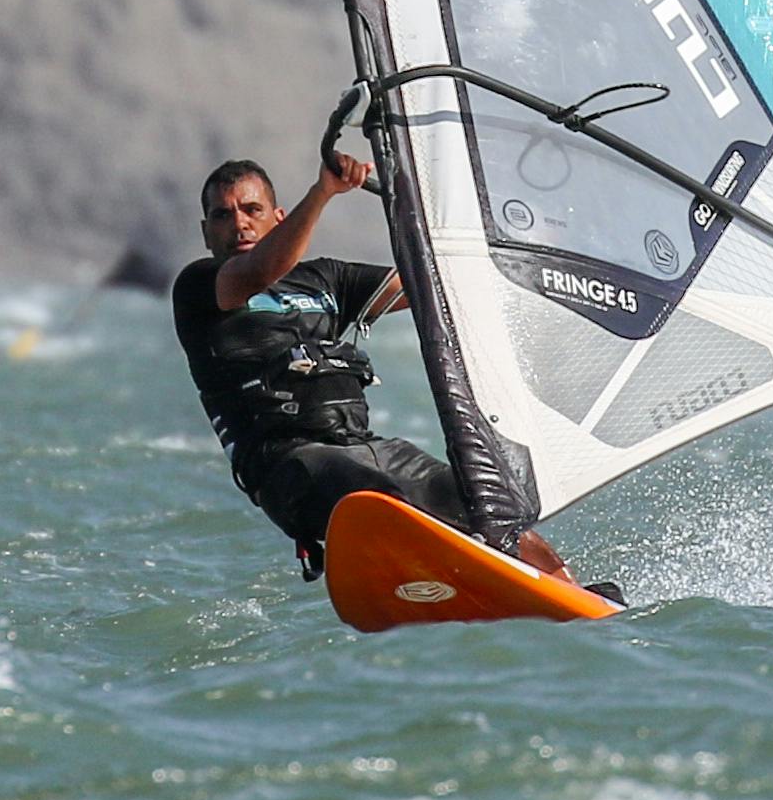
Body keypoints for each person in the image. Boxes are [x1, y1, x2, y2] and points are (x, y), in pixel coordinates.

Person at [171, 147, 570, 579]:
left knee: (485, 502)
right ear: (206, 231)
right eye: (222, 216)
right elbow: (259, 271)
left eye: (251, 209)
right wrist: (323, 192)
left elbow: (431, 284)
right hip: (288, 465)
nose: (239, 224)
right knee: (380, 500)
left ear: (278, 216)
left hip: (366, 448)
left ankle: (572, 592)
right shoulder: (200, 288)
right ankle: (453, 582)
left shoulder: (326, 280)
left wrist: (441, 214)